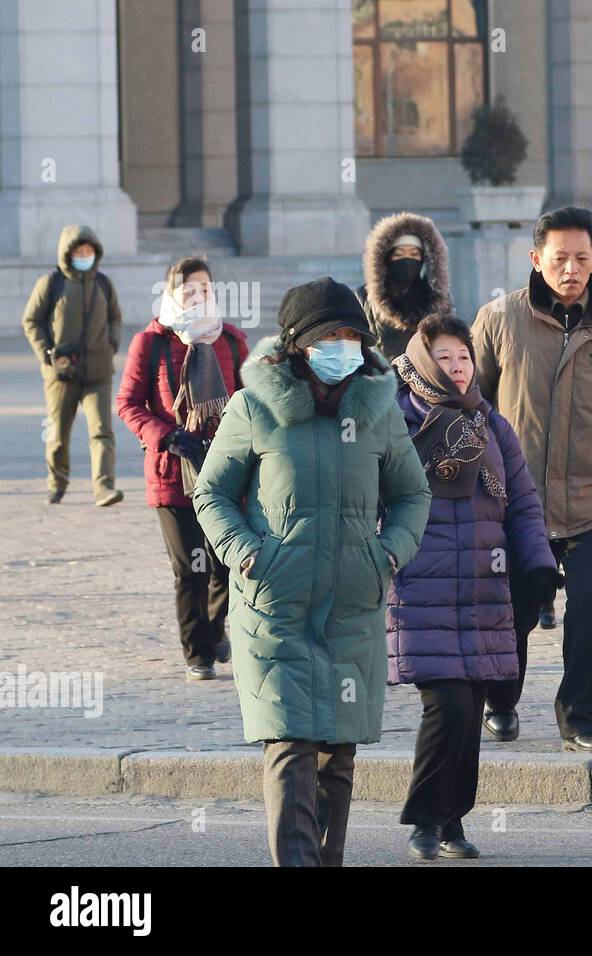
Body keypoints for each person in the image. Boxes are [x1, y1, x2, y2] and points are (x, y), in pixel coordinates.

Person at [192, 277, 431, 867]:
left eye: (353, 336)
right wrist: (248, 553)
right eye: (330, 337)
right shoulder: (254, 407)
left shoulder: (378, 411)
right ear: (298, 344)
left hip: (353, 600)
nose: (343, 348)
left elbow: (412, 495)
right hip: (276, 602)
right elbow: (211, 493)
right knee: (291, 744)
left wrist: (387, 556)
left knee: (336, 754)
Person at [471, 206, 592, 754]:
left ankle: (581, 716)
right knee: (510, 611)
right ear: (536, 260)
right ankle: (501, 699)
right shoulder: (499, 320)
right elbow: (471, 407)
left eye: (584, 257)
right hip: (516, 501)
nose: (572, 268)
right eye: (560, 258)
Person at [388, 315, 560, 861]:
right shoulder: (396, 422)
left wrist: (537, 567)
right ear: (420, 361)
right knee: (449, 708)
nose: (457, 367)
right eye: (443, 357)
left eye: (463, 357)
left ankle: (452, 820)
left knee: (472, 710)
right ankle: (423, 818)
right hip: (424, 588)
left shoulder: (492, 425)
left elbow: (524, 503)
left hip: (487, 588)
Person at [116, 258, 248, 681]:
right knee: (191, 568)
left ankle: (213, 628)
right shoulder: (151, 342)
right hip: (173, 473)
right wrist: (166, 435)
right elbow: (128, 403)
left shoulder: (229, 341)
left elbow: (251, 400)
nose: (198, 297)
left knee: (225, 564)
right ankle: (199, 653)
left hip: (225, 471)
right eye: (189, 290)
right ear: (172, 292)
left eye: (204, 289)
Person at [22, 224, 125, 506]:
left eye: (88, 250)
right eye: (78, 251)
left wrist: (111, 345)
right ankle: (57, 482)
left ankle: (104, 488)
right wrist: (46, 353)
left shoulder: (103, 283)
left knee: (102, 431)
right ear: (67, 254)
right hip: (61, 373)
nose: (84, 255)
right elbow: (31, 320)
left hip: (98, 373)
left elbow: (115, 318)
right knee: (57, 433)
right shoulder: (51, 283)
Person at [357, 211, 454, 360]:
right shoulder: (365, 296)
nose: (407, 260)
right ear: (386, 258)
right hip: (386, 377)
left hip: (428, 378)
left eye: (414, 254)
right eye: (399, 254)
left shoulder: (438, 299)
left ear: (424, 260)